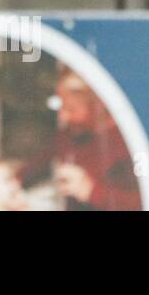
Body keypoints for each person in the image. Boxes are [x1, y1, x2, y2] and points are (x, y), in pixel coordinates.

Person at [52, 69, 142, 210]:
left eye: (71, 109)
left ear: (98, 106)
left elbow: (144, 203)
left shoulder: (128, 142)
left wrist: (90, 191)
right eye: (61, 106)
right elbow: (40, 160)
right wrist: (14, 177)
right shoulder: (71, 133)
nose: (63, 116)